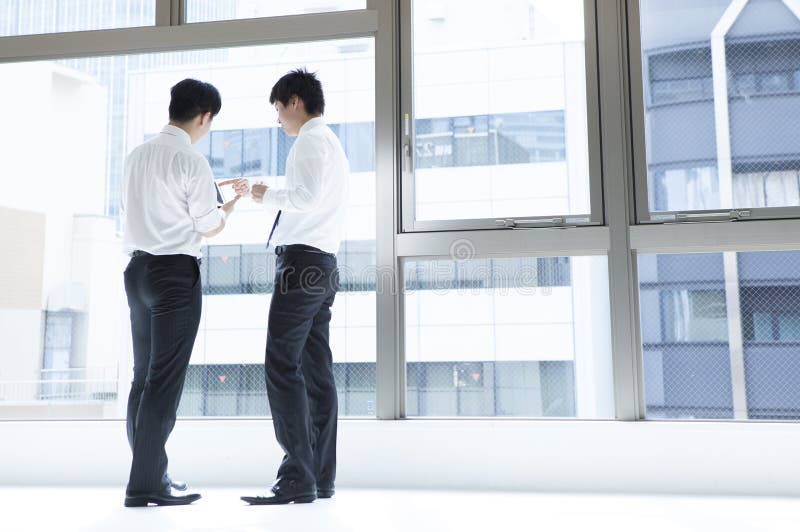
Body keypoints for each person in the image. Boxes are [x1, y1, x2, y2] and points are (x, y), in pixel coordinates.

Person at [120, 78, 239, 507]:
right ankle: (146, 484)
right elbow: (208, 225)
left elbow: (132, 211)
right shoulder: (191, 160)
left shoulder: (136, 155)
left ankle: (151, 474)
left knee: (142, 378)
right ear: (204, 116)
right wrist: (228, 207)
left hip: (136, 272)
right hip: (174, 273)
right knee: (163, 384)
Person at [237, 68, 349, 505]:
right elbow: (315, 201)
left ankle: (296, 476)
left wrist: (265, 194)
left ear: (295, 102)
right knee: (316, 372)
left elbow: (304, 198)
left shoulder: (309, 141)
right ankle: (320, 476)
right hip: (322, 266)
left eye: (279, 109)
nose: (279, 119)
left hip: (301, 266)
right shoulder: (332, 144)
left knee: (281, 366)